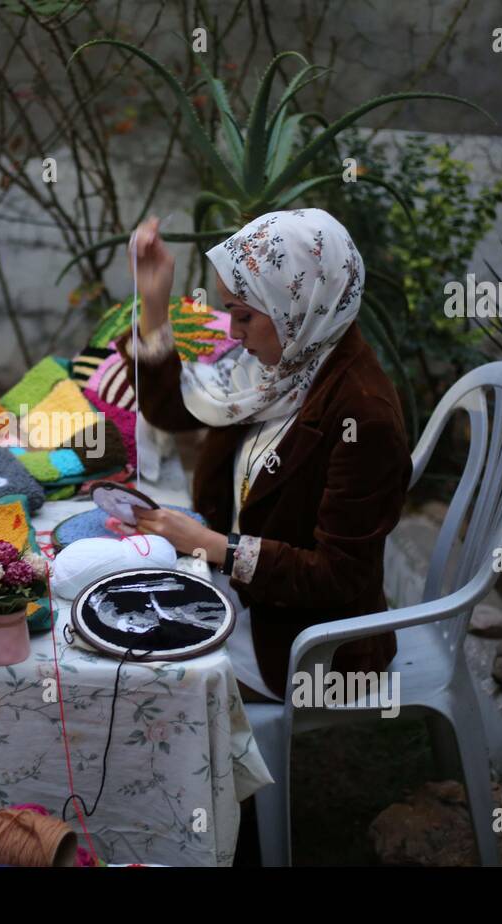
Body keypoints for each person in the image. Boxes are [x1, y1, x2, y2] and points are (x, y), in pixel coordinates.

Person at [118, 208, 411, 701]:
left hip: (305, 649)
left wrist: (213, 546)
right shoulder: (285, 367)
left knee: (135, 679)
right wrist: (153, 303)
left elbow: (339, 575)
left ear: (297, 303)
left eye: (245, 315)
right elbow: (171, 408)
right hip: (242, 599)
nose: (233, 334)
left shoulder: (363, 416)